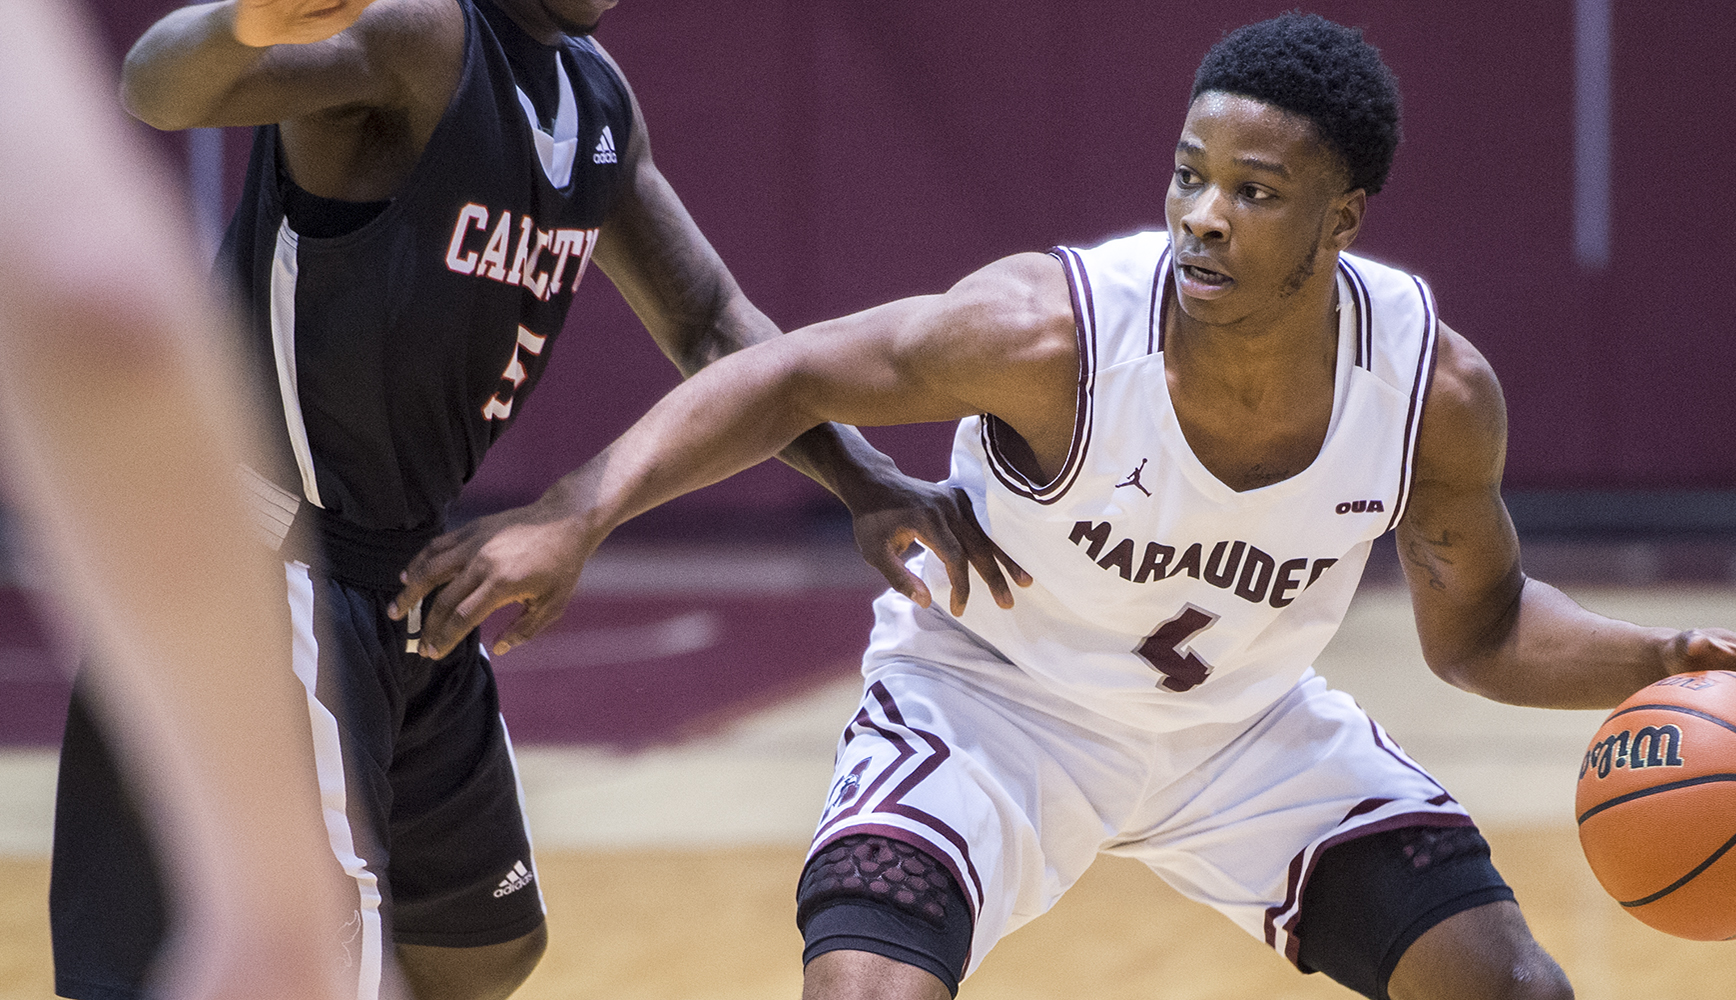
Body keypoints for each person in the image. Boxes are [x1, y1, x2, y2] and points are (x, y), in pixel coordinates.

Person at [391, 14, 1736, 1000]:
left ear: (1341, 221)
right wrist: (577, 512)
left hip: (1240, 734)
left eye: (1255, 191)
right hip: (989, 707)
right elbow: (784, 374)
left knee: (1511, 988)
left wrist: (1655, 658)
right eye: (1188, 174)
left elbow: (1477, 631)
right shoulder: (1053, 333)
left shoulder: (1431, 390)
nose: (1203, 216)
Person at [54, 2, 1023, 999]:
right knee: (318, 964)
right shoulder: (417, 32)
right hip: (273, 563)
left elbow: (708, 321)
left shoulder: (592, 97)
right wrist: (246, 23)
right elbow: (156, 87)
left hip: (406, 569)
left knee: (483, 941)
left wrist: (863, 479)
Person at [0, 2, 368, 999]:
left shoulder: (575, 98)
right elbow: (94, 292)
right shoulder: (411, 43)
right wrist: (273, 921)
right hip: (278, 525)